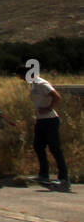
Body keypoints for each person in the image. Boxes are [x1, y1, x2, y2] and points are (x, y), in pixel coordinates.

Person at [20, 62, 70, 190]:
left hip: (50, 120)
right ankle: (44, 174)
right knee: (38, 146)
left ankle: (64, 178)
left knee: (55, 148)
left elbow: (56, 96)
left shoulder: (42, 84)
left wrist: (48, 108)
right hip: (41, 120)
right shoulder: (33, 85)